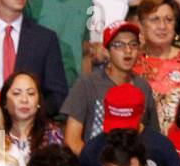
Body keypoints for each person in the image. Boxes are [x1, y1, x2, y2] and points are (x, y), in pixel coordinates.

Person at [60, 20, 156, 155]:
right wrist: (98, 164)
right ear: (106, 50)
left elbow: (152, 136)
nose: (128, 51)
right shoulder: (87, 84)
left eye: (133, 45)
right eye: (119, 45)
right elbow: (72, 140)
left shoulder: (143, 86)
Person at [132, 0, 180, 135]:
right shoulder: (130, 63)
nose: (162, 26)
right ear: (141, 25)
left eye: (168, 20)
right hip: (137, 144)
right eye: (155, 19)